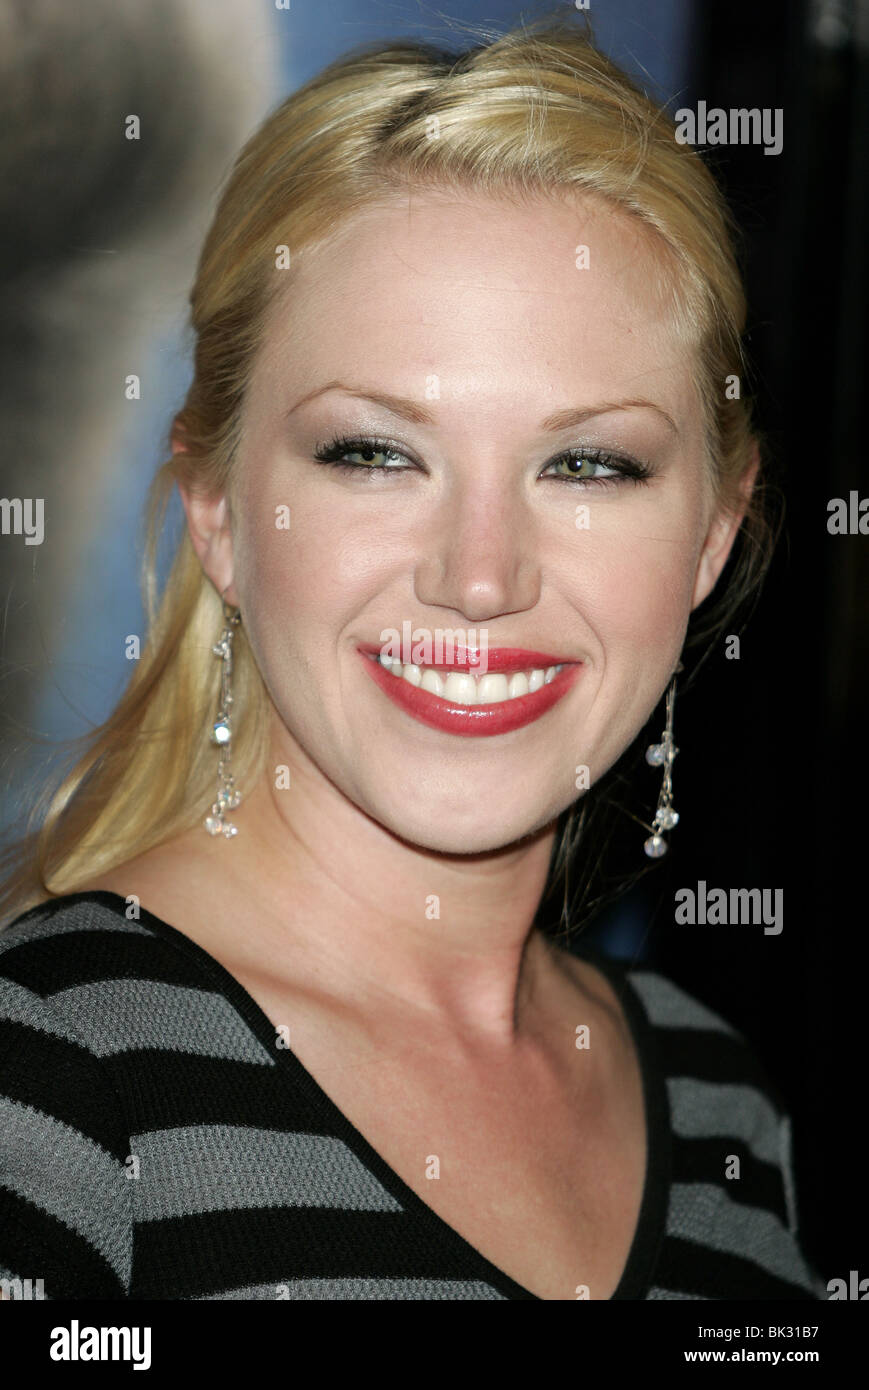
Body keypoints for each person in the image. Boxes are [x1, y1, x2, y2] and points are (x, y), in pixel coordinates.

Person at [0, 18, 823, 1301]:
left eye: (588, 464)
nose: (479, 575)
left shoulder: (723, 1112)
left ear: (712, 535)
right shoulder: (45, 1087)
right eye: (374, 452)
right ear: (217, 507)